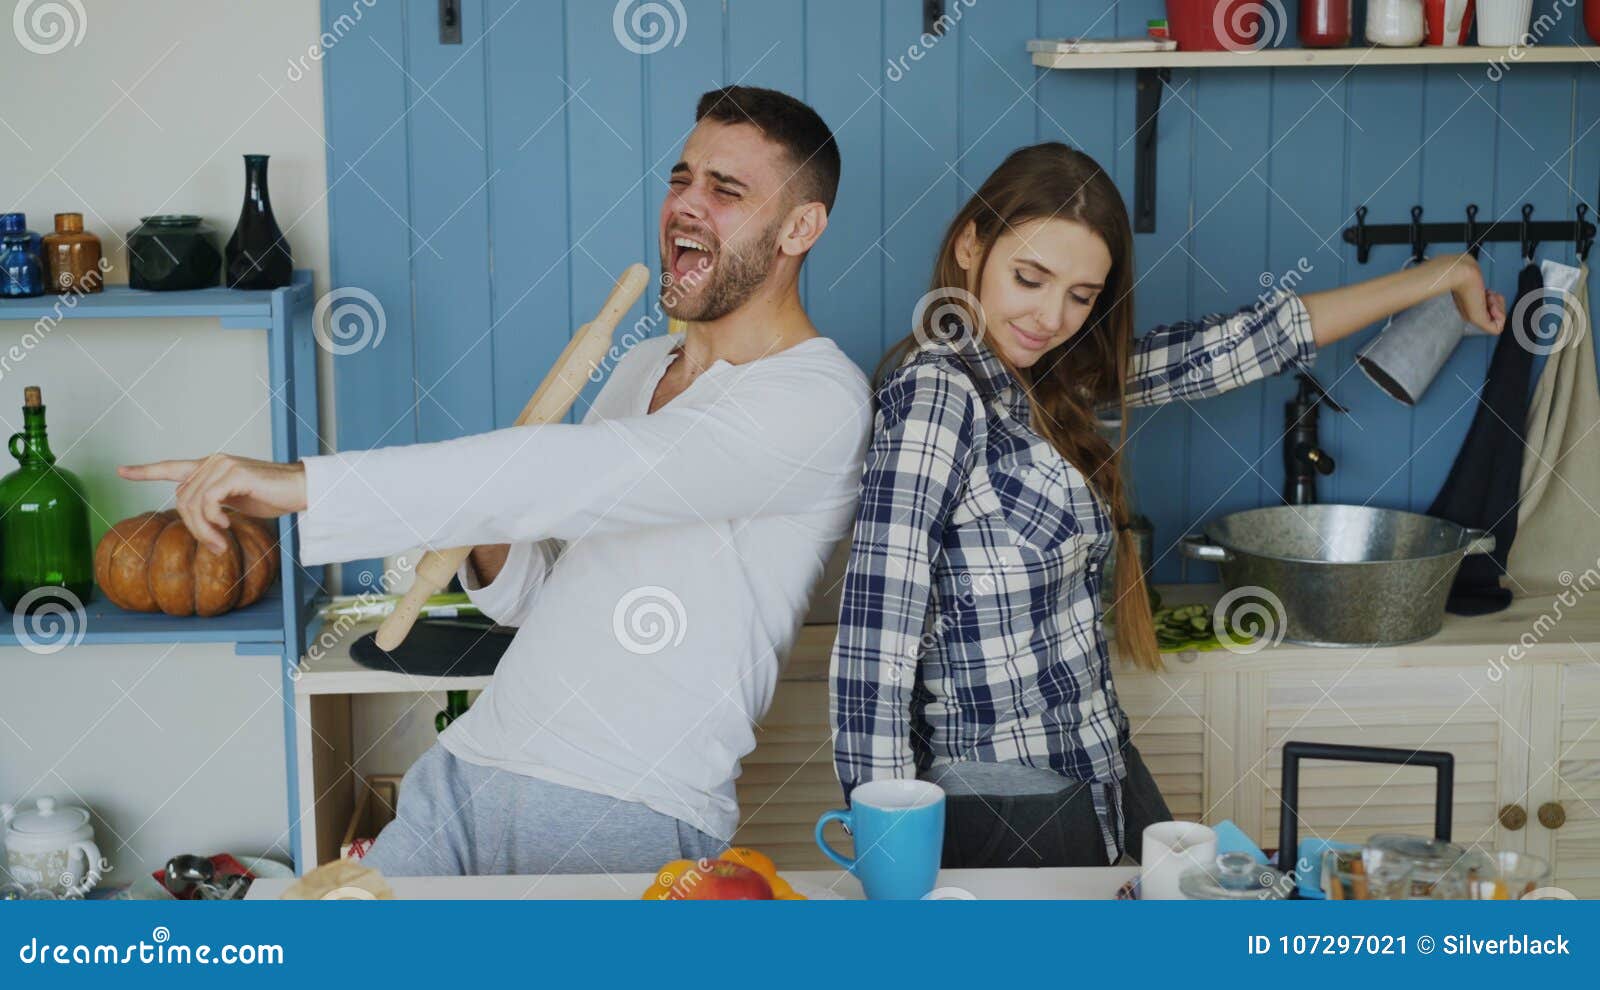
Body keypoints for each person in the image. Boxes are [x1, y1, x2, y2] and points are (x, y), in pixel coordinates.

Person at [122, 86, 871, 877]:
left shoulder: (815, 401)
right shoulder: (646, 364)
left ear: (801, 227)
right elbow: (540, 593)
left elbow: (585, 475)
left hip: (624, 805)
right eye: (681, 179)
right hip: (472, 765)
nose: (686, 205)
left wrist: (302, 483)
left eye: (726, 191)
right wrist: (480, 522)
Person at [829, 142, 1506, 869]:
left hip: (1100, 772)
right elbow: (878, 638)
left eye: (1082, 296)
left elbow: (1242, 344)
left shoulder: (1047, 381)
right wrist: (888, 853)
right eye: (1030, 278)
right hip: (1002, 797)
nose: (1051, 315)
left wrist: (1445, 275)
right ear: (970, 246)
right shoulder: (937, 396)